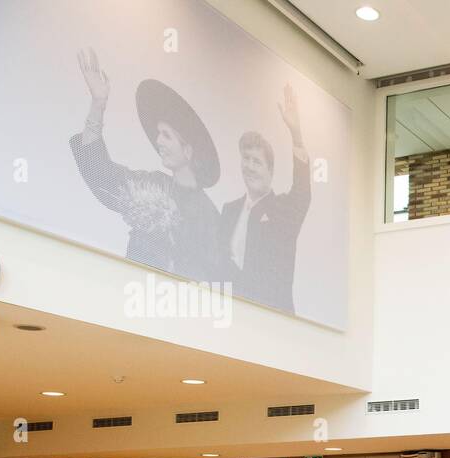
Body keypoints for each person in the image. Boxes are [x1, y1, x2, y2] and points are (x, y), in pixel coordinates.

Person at [70, 48, 221, 282]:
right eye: (158, 134)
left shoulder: (210, 215)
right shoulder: (152, 186)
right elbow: (100, 176)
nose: (158, 141)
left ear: (188, 150)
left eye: (166, 135)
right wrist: (98, 104)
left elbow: (214, 275)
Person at [219, 83, 310, 314]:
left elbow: (302, 191)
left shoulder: (283, 210)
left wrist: (296, 136)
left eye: (256, 161)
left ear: (270, 171)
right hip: (230, 317)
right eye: (246, 159)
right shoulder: (229, 211)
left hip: (273, 321)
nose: (249, 166)